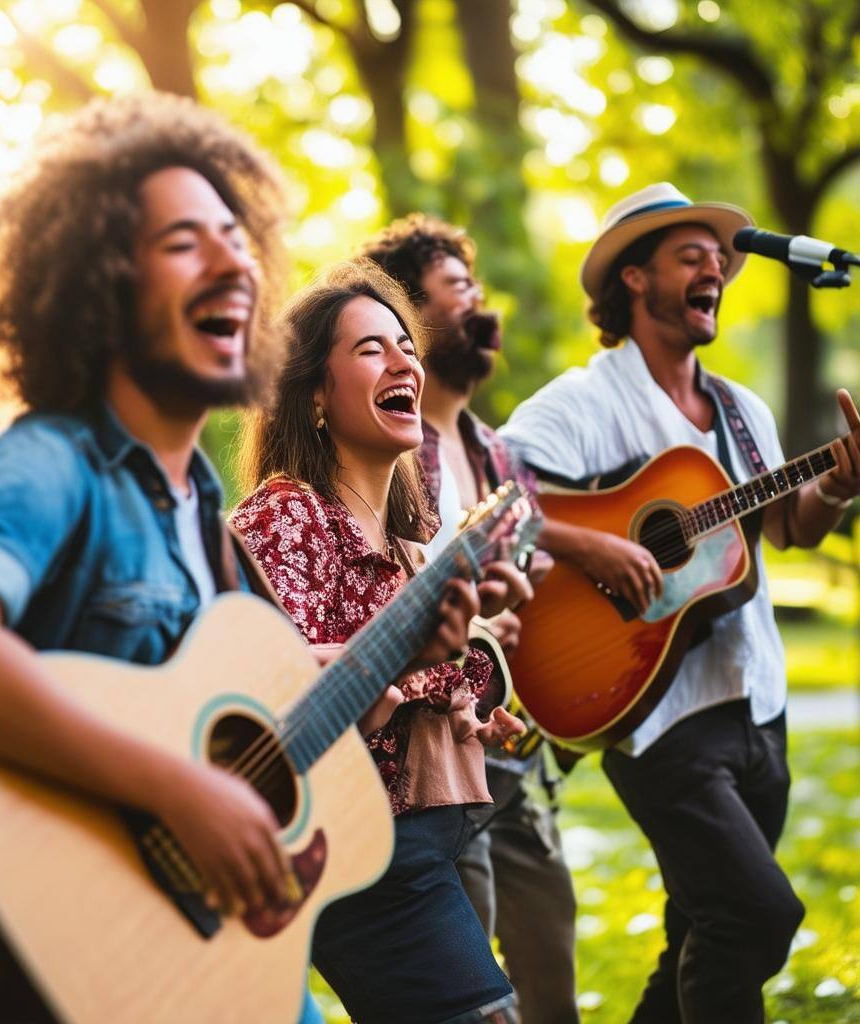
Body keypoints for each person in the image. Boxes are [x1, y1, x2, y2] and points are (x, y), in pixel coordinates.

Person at [0, 93, 343, 1022]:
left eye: (236, 237)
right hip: (76, 957)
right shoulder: (49, 457)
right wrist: (177, 791)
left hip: (204, 953)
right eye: (183, 243)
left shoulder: (203, 503)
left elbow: (208, 717)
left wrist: (405, 648)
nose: (233, 263)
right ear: (99, 284)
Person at [499, 182, 860, 1024]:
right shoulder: (585, 401)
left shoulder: (742, 410)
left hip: (757, 703)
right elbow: (491, 489)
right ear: (635, 278)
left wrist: (839, 488)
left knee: (699, 932)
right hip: (656, 712)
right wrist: (592, 544)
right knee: (755, 917)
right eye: (691, 257)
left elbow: (788, 528)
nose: (716, 272)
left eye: (719, 261)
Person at [231, 261, 532, 1024]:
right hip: (355, 848)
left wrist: (470, 706)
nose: (404, 363)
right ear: (314, 394)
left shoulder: (408, 543)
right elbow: (289, 698)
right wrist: (424, 668)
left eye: (407, 346)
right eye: (371, 349)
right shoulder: (286, 516)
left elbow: (410, 682)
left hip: (424, 842)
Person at [360, 214, 580, 1024]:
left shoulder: (498, 451)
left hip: (514, 739)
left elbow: (532, 560)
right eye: (458, 289)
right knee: (469, 974)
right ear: (411, 315)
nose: (480, 304)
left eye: (477, 286)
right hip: (442, 744)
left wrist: (524, 591)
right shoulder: (387, 448)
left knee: (550, 942)